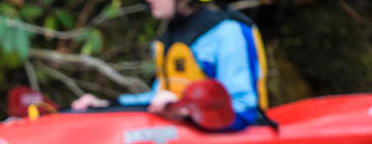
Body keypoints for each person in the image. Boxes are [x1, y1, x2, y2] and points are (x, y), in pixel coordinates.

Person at [71, 0, 270, 131]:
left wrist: (187, 112)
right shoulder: (169, 37)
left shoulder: (227, 32)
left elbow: (243, 109)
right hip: (185, 123)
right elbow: (157, 96)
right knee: (82, 114)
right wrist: (107, 105)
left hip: (238, 130)